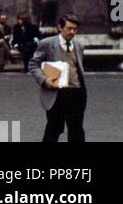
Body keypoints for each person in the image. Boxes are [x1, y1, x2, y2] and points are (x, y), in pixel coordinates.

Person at [28, 14, 88, 143]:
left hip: (76, 93)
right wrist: (44, 80)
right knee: (54, 128)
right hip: (57, 93)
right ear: (60, 28)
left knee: (76, 130)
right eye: (69, 28)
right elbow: (33, 64)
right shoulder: (47, 44)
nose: (72, 32)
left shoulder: (79, 45)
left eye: (75, 29)